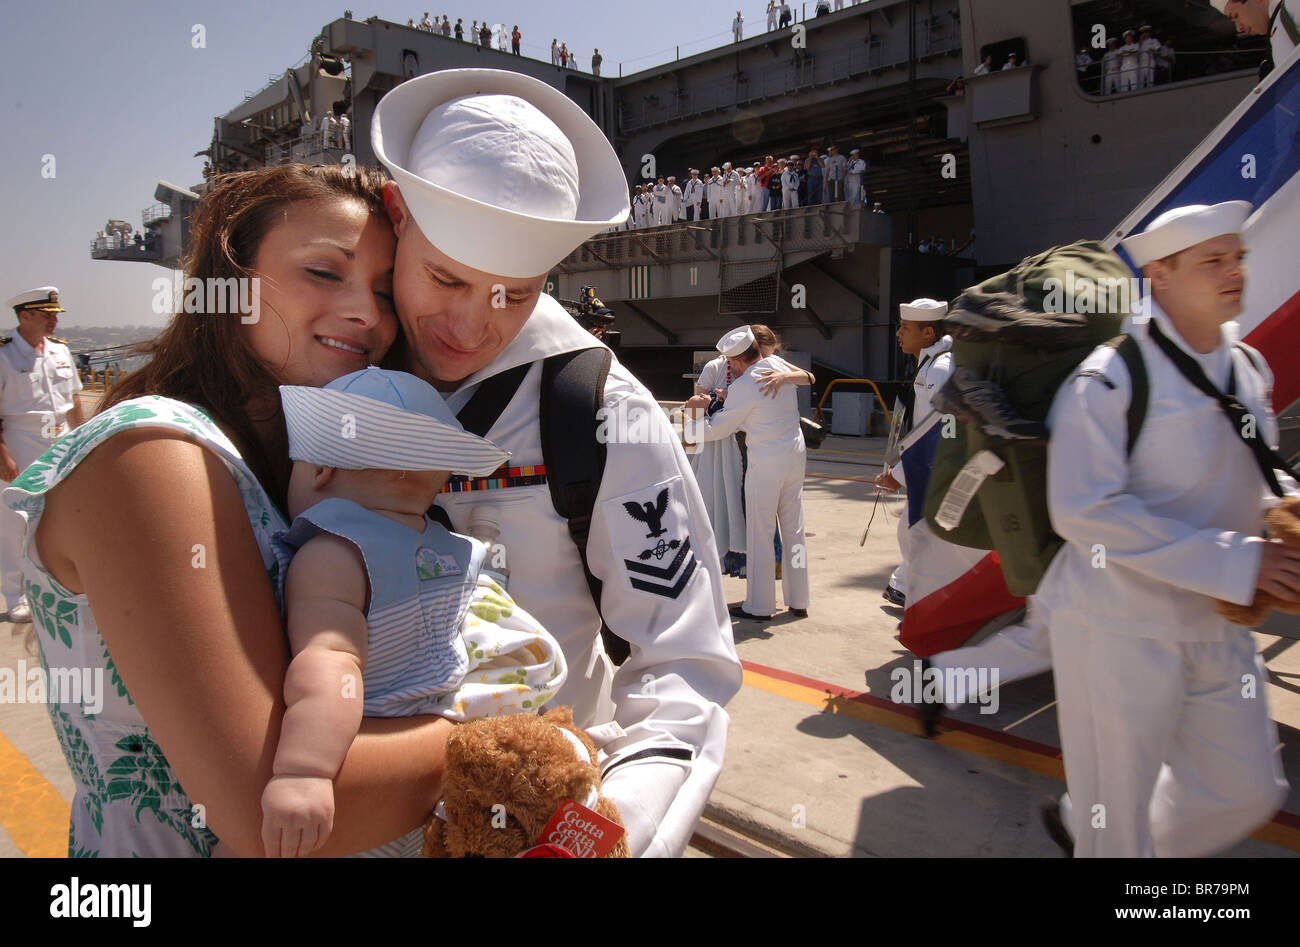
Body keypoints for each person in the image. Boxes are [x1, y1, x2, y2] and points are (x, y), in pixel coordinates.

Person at [1, 165, 468, 857]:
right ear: (228, 285)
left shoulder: (292, 474)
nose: (368, 315)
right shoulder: (153, 453)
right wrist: (517, 733)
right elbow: (261, 816)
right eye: (322, 271)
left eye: (379, 289)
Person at [371, 67, 743, 857]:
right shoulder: (323, 376)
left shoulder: (603, 415)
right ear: (394, 213)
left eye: (515, 291)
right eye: (446, 278)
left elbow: (684, 670)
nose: (473, 325)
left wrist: (592, 835)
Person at [1038, 201, 1298, 857]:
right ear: (1161, 274)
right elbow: (1082, 510)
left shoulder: (1246, 368)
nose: (1233, 270)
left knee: (1246, 788)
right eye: (1212, 261)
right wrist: (1239, 562)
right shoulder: (1110, 377)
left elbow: (1259, 472)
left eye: (1236, 256)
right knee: (1116, 822)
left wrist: (1287, 506)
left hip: (1216, 621)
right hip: (1116, 627)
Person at [255, 367, 564, 857]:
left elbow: (330, 664)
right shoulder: (452, 552)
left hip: (363, 758)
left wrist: (304, 773)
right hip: (433, 789)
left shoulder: (334, 553)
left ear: (317, 470)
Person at [686, 327, 809, 622]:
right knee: (794, 528)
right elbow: (804, 377)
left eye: (731, 362)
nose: (730, 367)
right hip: (795, 453)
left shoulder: (744, 385)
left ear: (738, 360)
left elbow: (715, 430)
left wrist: (695, 411)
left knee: (760, 531)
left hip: (765, 461)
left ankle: (760, 604)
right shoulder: (778, 366)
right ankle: (799, 599)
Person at [0, 287, 84, 623]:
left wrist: (82, 440)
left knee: (60, 516)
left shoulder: (60, 352)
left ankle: (57, 586)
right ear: (25, 316)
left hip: (61, 440)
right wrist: (3, 456)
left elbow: (75, 400)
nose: (55, 320)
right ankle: (15, 595)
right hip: (21, 440)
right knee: (14, 522)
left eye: (55, 314)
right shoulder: (5, 357)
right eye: (47, 314)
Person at [874, 299, 954, 608]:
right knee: (912, 533)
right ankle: (906, 588)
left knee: (916, 535)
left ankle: (919, 598)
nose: (898, 334)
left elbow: (932, 431)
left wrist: (898, 476)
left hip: (933, 469)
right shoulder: (930, 363)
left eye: (906, 328)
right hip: (926, 467)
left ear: (928, 332)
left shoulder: (940, 369)